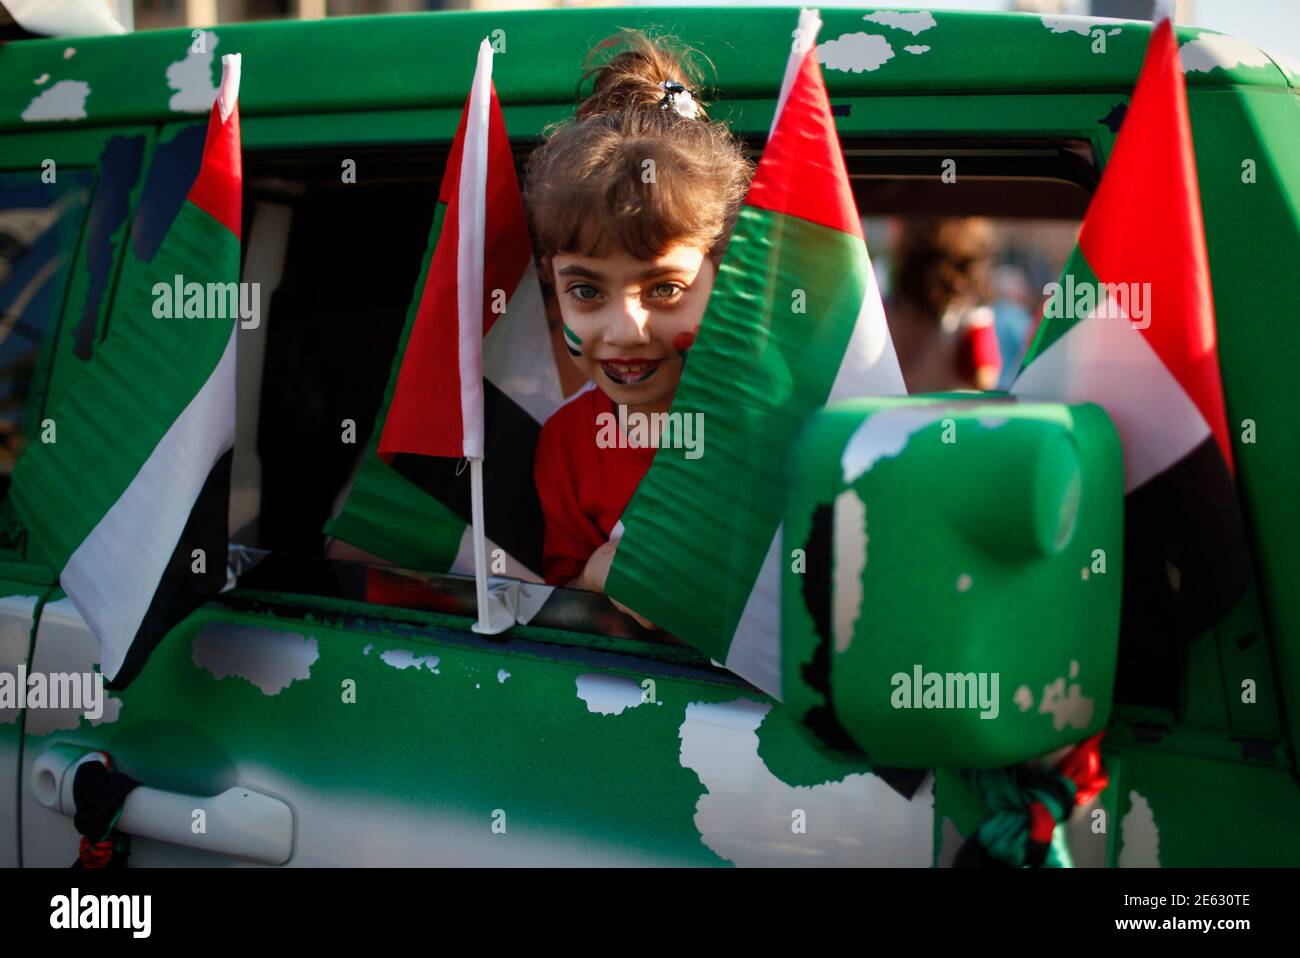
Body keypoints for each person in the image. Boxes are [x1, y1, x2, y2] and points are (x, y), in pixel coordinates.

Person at [523, 30, 753, 623]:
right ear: (552, 282)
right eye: (586, 290)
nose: (625, 329)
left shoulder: (773, 418)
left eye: (665, 289)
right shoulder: (566, 446)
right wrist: (600, 579)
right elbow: (560, 617)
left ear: (724, 277)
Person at [886, 217, 1001, 393]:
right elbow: (984, 376)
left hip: (899, 410)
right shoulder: (972, 317)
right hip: (951, 413)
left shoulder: (893, 309)